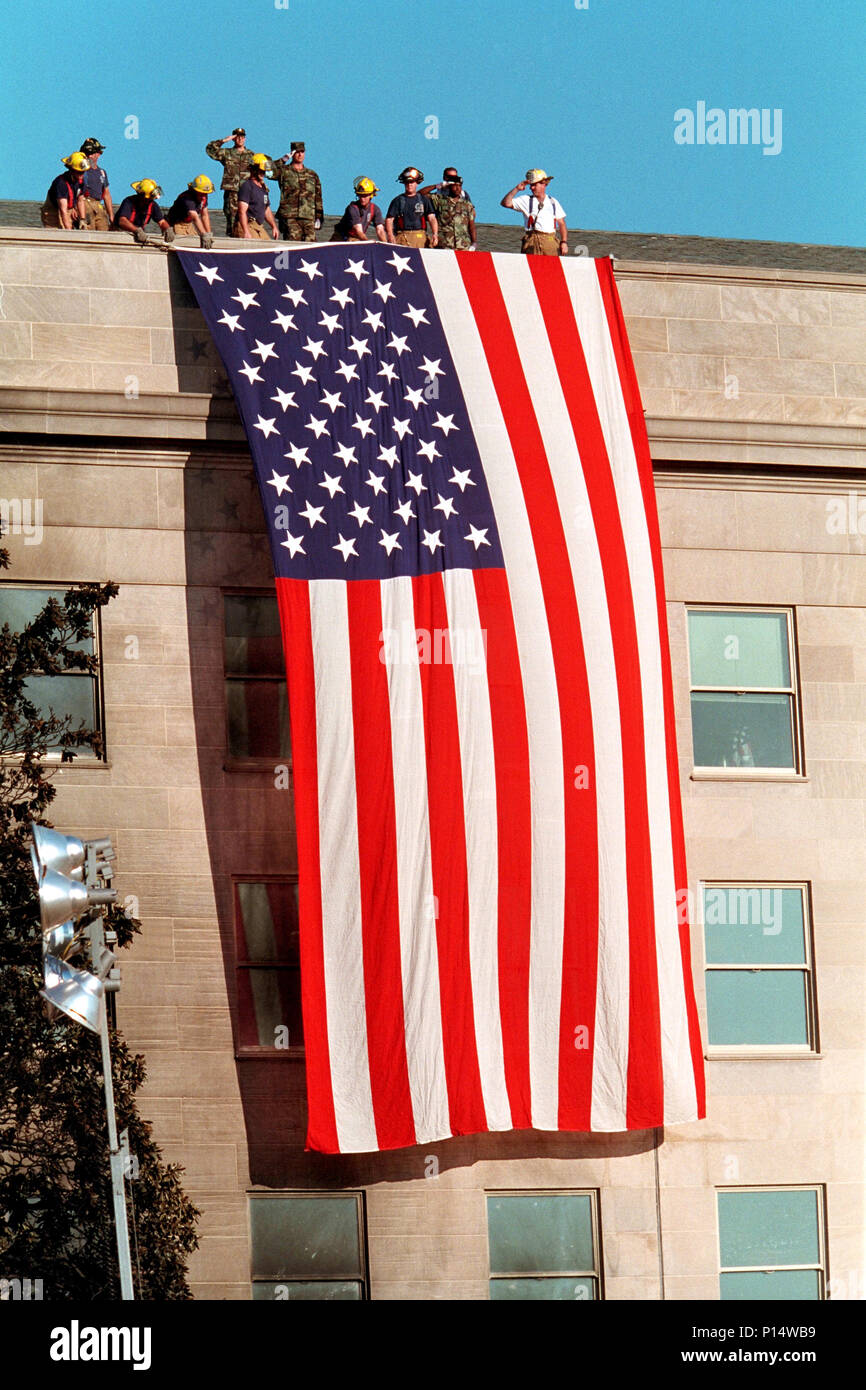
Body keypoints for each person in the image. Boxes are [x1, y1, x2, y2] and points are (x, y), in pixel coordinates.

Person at [501, 169, 568, 256]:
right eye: (531, 185)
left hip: (550, 241)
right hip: (532, 241)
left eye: (534, 185)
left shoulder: (553, 202)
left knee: (551, 268)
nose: (531, 188)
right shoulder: (526, 200)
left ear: (543, 184)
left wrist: (564, 242)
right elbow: (506, 203)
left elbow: (561, 223)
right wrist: (517, 189)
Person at [205, 128, 259, 236]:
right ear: (234, 139)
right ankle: (233, 239)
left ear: (245, 138)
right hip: (232, 192)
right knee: (232, 218)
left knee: (249, 218)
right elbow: (210, 149)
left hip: (247, 193)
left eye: (242, 136)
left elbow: (261, 171)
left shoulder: (251, 155)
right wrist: (224, 140)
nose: (240, 139)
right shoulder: (227, 153)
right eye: (237, 136)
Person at [270, 141, 323, 242]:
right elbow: (267, 171)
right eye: (297, 152)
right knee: (293, 245)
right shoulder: (284, 171)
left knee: (311, 247)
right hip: (290, 216)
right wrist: (283, 159)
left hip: (308, 216)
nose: (300, 154)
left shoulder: (312, 174)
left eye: (302, 152)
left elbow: (318, 197)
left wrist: (319, 217)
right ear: (292, 153)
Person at [419, 168, 476, 250]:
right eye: (450, 177)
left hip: (462, 244)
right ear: (445, 177)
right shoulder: (439, 197)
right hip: (444, 243)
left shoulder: (465, 198)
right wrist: (438, 186)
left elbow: (472, 221)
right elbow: (419, 194)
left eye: (455, 177)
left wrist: (474, 243)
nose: (457, 188)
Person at [385, 168, 438, 248]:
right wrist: (390, 235)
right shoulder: (397, 201)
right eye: (407, 182)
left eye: (412, 182)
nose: (409, 185)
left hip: (421, 238)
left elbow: (432, 218)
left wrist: (435, 234)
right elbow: (389, 219)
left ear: (417, 183)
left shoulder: (424, 200)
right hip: (402, 238)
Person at [331, 177, 387, 243]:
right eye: (360, 196)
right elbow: (358, 230)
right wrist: (367, 242)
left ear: (371, 195)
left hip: (357, 239)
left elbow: (380, 230)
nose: (362, 199)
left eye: (365, 196)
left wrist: (385, 244)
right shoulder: (352, 208)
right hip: (341, 239)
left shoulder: (375, 209)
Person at [41, 153, 87, 230]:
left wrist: (82, 220)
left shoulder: (80, 181)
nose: (82, 174)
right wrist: (68, 231)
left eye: (83, 172)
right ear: (72, 170)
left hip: (67, 211)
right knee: (57, 236)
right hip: (52, 213)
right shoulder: (61, 183)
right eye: (79, 172)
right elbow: (63, 210)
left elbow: (80, 200)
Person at [237, 155, 279, 240]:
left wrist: (274, 226)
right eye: (261, 171)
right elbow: (242, 211)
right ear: (254, 170)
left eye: (264, 171)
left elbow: (266, 209)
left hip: (259, 226)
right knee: (256, 247)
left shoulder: (263, 188)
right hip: (248, 225)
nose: (263, 173)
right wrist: (246, 231)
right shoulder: (247, 186)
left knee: (270, 249)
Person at [167, 175, 215, 247]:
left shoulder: (203, 197)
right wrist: (204, 235)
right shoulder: (187, 198)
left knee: (196, 242)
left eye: (206, 194)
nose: (204, 197)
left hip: (189, 224)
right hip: (177, 223)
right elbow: (194, 217)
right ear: (195, 191)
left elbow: (205, 215)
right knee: (184, 244)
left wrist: (208, 234)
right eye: (201, 194)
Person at [79, 138, 113, 231]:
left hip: (98, 205)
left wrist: (111, 215)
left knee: (104, 232)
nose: (98, 155)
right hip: (85, 203)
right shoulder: (80, 171)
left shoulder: (102, 172)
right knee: (88, 232)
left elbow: (106, 194)